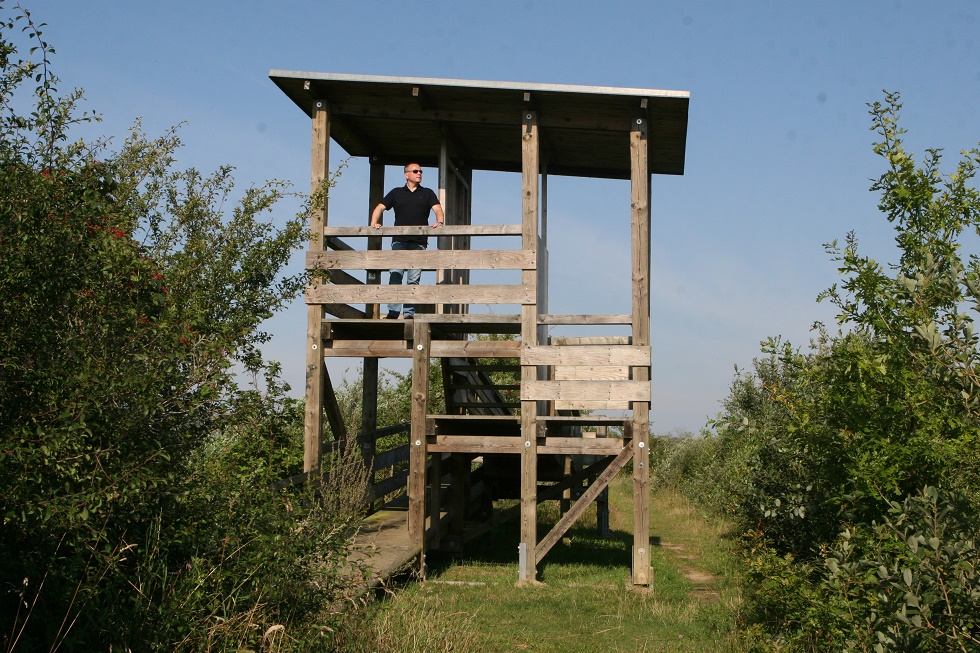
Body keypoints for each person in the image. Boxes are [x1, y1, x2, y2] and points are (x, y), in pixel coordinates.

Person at [369, 163, 445, 319]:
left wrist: (440, 222)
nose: (419, 173)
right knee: (395, 275)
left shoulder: (427, 193)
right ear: (406, 174)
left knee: (413, 279)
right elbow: (380, 207)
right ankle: (393, 312)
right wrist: (374, 222)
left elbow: (437, 208)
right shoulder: (396, 193)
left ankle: (409, 314)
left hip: (419, 242)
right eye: (415, 171)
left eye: (420, 171)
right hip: (399, 241)